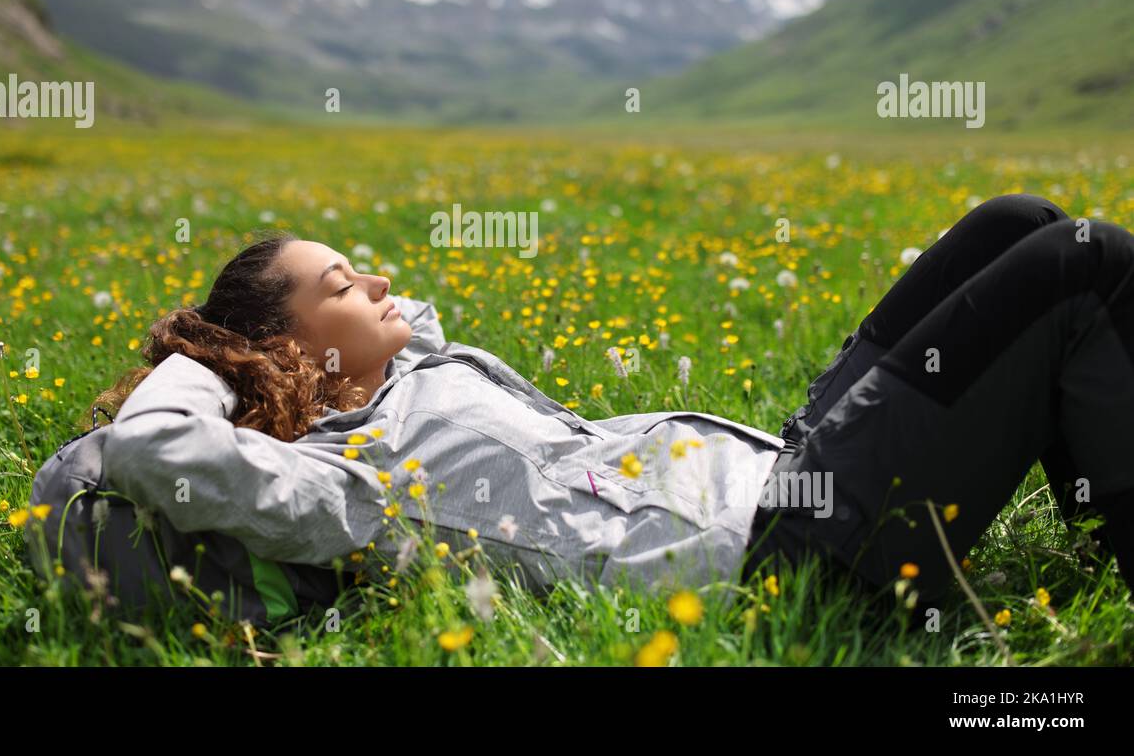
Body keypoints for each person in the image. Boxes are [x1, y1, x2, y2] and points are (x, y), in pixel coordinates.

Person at [92, 193, 1134, 613]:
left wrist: (333, 323)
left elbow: (408, 313)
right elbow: (156, 453)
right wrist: (209, 353)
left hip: (793, 463)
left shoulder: (408, 374)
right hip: (798, 549)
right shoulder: (338, 477)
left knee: (1016, 221)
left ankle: (1094, 502)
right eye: (340, 283)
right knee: (1082, 263)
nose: (374, 283)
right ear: (279, 347)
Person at [743, 192, 1134, 604]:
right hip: (780, 528)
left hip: (766, 462)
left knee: (1018, 223)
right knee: (1094, 260)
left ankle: (1100, 542)